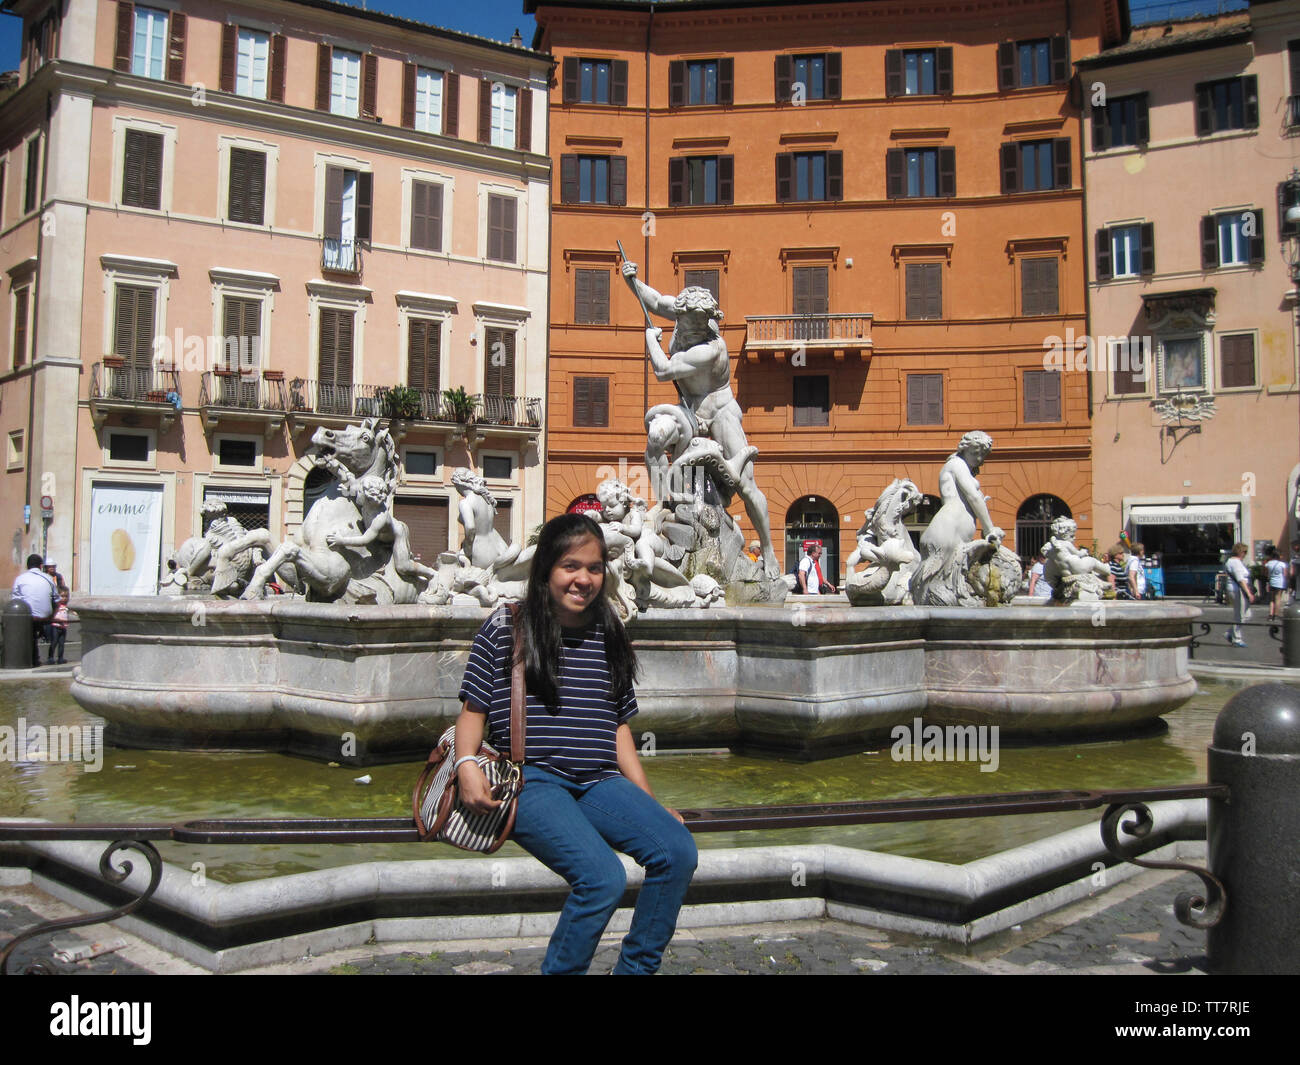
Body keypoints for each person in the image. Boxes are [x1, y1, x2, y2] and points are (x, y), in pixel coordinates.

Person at [454, 512, 697, 974]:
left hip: (600, 782)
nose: (584, 578)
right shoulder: (507, 626)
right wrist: (467, 763)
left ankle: (635, 969)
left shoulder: (609, 630)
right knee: (601, 877)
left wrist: (648, 803)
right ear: (546, 568)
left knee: (678, 851)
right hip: (533, 781)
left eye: (595, 567)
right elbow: (473, 709)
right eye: (571, 566)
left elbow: (619, 725)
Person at [11, 554, 58, 667]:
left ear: (27, 566)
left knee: (26, 621)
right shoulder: (48, 578)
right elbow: (56, 599)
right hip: (46, 616)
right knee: (36, 625)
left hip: (28, 617)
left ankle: (30, 658)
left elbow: (15, 600)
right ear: (41, 566)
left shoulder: (20, 579)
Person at [1224, 543, 1254, 646]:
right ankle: (1237, 639)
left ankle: (1230, 633)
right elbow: (1240, 579)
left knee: (1247, 614)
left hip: (1236, 589)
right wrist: (1249, 593)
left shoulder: (1231, 561)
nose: (1245, 554)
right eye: (1245, 552)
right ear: (1240, 552)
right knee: (1240, 614)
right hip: (1238, 590)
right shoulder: (1235, 562)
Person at [1264, 546, 1287, 620]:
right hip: (1280, 583)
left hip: (1271, 582)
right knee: (1278, 598)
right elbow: (1285, 574)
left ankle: (1271, 614)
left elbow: (1265, 573)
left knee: (1271, 599)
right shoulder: (1282, 564)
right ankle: (1276, 614)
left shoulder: (1268, 564)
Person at [47, 594, 69, 665]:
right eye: (62, 596)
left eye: (66, 596)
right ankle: (50, 657)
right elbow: (52, 616)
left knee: (61, 643)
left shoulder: (66, 606)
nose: (64, 598)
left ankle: (60, 658)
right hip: (56, 626)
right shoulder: (57, 606)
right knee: (54, 642)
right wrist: (57, 619)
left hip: (63, 627)